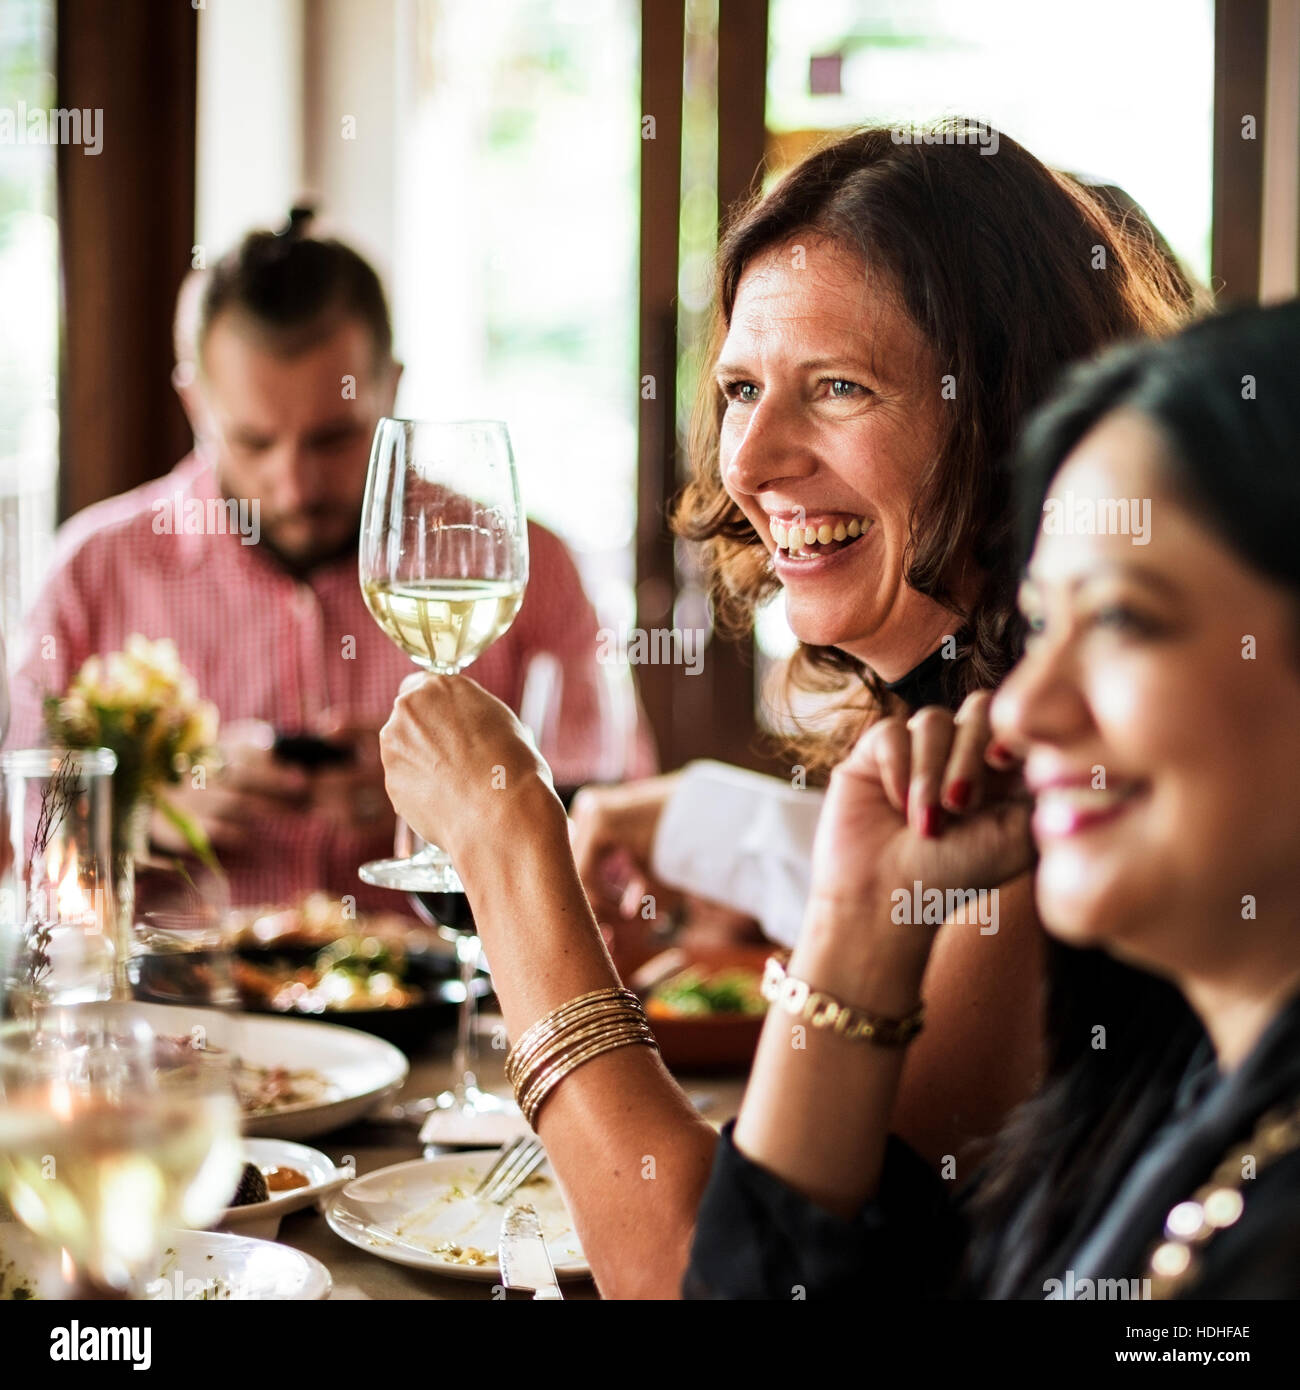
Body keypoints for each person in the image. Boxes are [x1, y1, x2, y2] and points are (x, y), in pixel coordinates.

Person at [377, 121, 1197, 1297]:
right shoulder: (946, 724)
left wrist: (511, 841)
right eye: (743, 389)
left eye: (840, 387)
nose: (751, 457)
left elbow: (695, 1275)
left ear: (1009, 414)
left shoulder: (1046, 790)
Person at [685, 299, 1300, 1299]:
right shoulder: (1175, 1096)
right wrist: (858, 926)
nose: (1024, 705)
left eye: (1120, 618)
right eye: (1043, 621)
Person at [5, 210, 643, 909]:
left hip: (445, 1000)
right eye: (252, 442)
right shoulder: (94, 572)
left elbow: (623, 841)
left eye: (334, 439)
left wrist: (463, 801)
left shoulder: (516, 562)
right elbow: (24, 847)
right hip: (183, 1009)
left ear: (390, 387)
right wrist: (141, 819)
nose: (296, 487)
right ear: (195, 402)